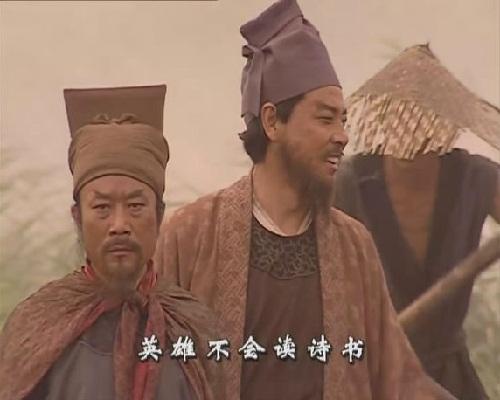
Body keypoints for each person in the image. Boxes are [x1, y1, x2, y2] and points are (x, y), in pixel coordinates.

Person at [155, 1, 455, 399]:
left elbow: (398, 379)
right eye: (325, 118)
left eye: (343, 121)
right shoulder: (191, 235)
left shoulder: (353, 247)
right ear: (272, 121)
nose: (342, 136)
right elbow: (151, 371)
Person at [0, 85, 220, 400]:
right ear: (78, 217)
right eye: (102, 208)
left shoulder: (193, 327)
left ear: (159, 215)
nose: (119, 225)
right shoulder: (36, 326)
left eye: (135, 206)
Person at [334, 44, 500, 399]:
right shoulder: (348, 184)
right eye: (399, 118)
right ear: (382, 118)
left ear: (443, 124)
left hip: (448, 377)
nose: (409, 135)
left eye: (421, 119)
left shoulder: (473, 178)